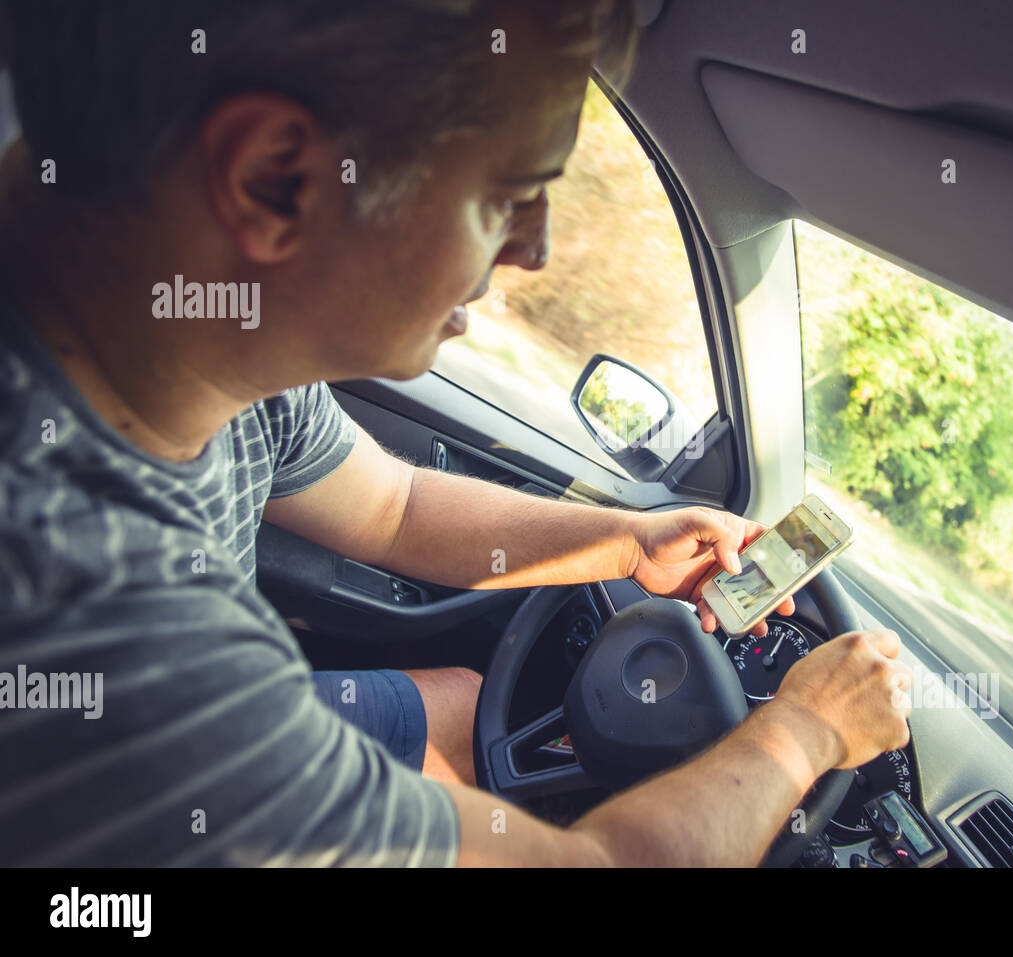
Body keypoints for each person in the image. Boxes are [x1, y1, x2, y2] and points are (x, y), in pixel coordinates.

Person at [0, 0, 912, 866]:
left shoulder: (202, 345)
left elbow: (395, 507)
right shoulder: (101, 630)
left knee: (465, 710)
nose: (538, 247)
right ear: (273, 180)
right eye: (509, 192)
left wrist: (628, 542)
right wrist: (804, 731)